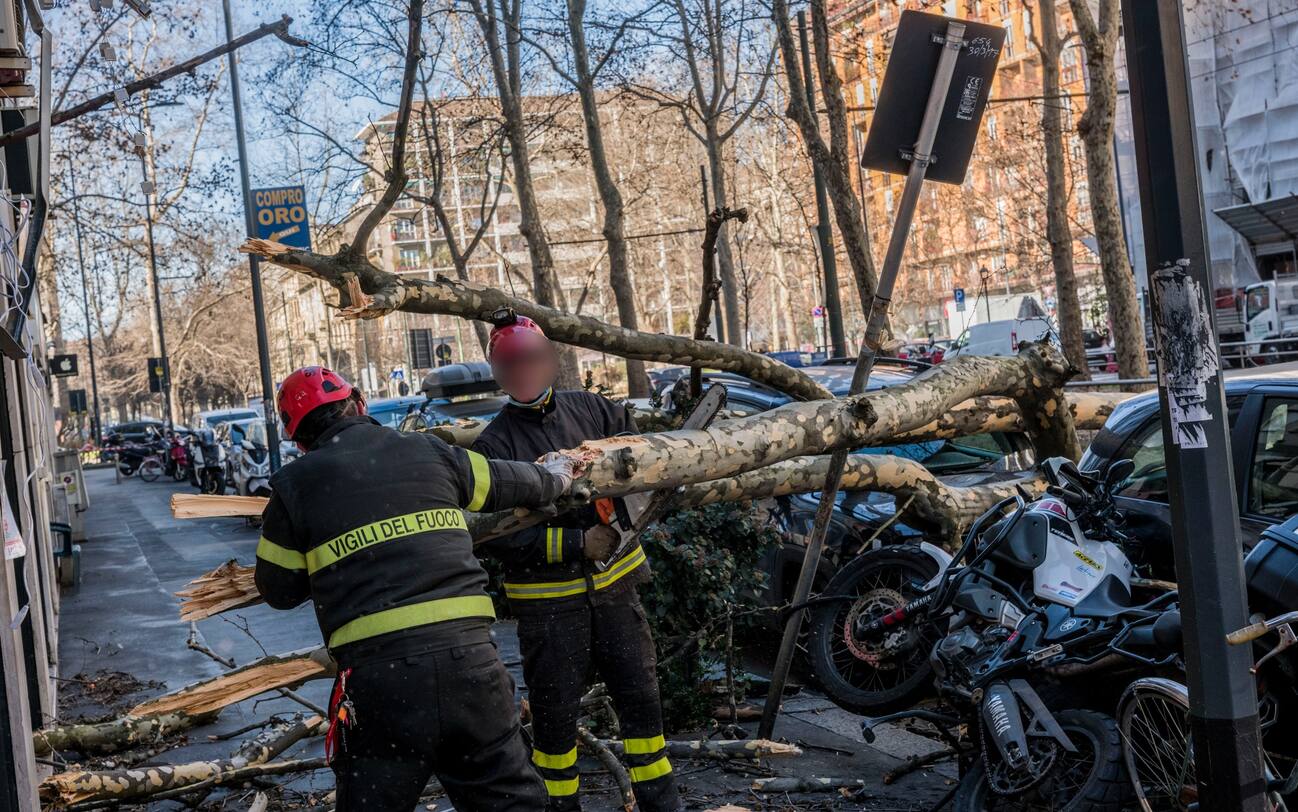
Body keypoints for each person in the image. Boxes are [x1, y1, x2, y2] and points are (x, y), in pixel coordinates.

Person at [254, 365, 579, 812]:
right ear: (360, 405)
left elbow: (279, 588)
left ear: (299, 440)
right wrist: (557, 478)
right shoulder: (427, 450)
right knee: (510, 802)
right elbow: (508, 482)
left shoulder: (295, 486)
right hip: (472, 668)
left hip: (383, 688)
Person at [471, 313, 682, 812]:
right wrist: (573, 545)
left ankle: (661, 804)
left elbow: (643, 464)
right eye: (509, 363)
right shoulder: (494, 446)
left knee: (643, 709)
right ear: (496, 369)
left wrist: (633, 512)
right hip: (549, 612)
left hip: (617, 596)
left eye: (529, 359)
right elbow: (495, 538)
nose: (521, 369)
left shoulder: (594, 411)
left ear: (549, 360)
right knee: (555, 727)